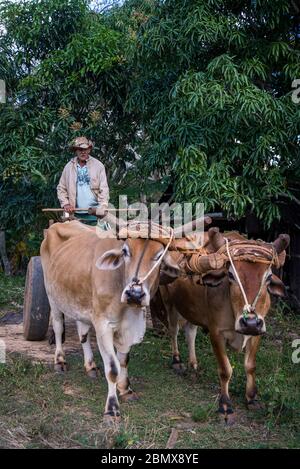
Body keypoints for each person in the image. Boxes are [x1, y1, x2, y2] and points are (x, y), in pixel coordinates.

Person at [57, 136, 109, 226]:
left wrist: (103, 206)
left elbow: (104, 189)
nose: (83, 152)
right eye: (80, 149)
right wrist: (66, 204)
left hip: (94, 213)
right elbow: (61, 188)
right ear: (76, 151)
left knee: (97, 238)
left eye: (85, 149)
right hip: (74, 213)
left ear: (89, 150)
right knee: (75, 239)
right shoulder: (69, 167)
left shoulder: (98, 166)